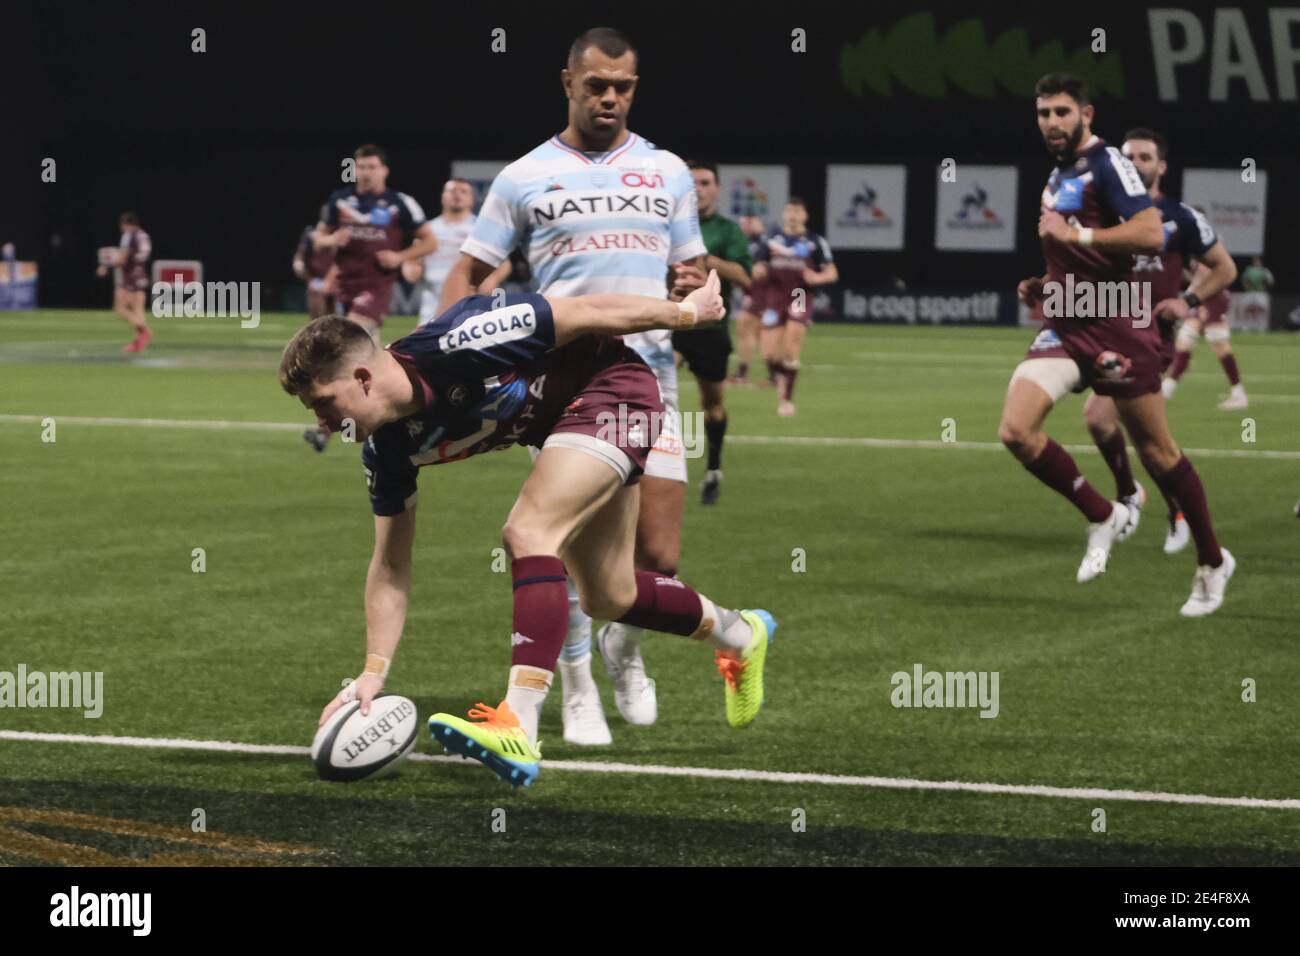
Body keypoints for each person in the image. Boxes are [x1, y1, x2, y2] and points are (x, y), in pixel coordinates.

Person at [286, 271, 777, 788]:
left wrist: (686, 314)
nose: (321, 422)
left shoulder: (462, 337)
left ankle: (517, 723)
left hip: (611, 389)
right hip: (559, 427)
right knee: (609, 596)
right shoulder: (385, 449)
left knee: (528, 531)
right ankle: (743, 634)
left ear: (363, 378)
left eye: (324, 404)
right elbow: (390, 563)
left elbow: (585, 312)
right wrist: (372, 670)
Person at [439, 27, 709, 746]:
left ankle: (625, 650)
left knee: (657, 557)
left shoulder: (668, 172)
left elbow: (695, 268)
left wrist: (694, 281)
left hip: (653, 378)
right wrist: (441, 356)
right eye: (597, 86)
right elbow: (468, 272)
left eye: (623, 87)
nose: (610, 98)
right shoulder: (525, 176)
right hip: (565, 384)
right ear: (568, 83)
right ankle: (579, 685)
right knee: (559, 540)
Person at [1000, 73, 1234, 617]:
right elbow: (1066, 246)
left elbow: (1150, 233)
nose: (1052, 122)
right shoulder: (1059, 173)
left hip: (1116, 325)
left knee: (1157, 452)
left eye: (1062, 111)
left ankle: (1211, 560)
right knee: (1016, 430)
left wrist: (1075, 237)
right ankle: (1103, 512)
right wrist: (1045, 279)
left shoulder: (1109, 163)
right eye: (1043, 113)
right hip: (1065, 321)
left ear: (1086, 113)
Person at [1080, 128, 1238, 556]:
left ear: (1161, 166)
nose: (1135, 163)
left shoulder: (1180, 217)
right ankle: (1158, 502)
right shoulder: (1105, 216)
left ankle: (1139, 499)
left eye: (1145, 157)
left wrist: (1186, 300)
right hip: (1107, 332)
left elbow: (1224, 269)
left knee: (1103, 420)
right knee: (1147, 442)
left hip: (1150, 340)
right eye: (1127, 156)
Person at [304, 144, 438, 451]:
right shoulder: (340, 200)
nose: (365, 173)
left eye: (371, 167)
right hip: (342, 290)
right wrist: (331, 239)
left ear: (384, 170)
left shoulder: (399, 203)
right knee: (364, 358)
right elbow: (318, 238)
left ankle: (349, 424)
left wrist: (400, 256)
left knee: (342, 346)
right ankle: (399, 412)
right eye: (360, 167)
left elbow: (429, 241)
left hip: (375, 291)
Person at [675, 161, 752, 504]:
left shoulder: (727, 230)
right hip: (670, 323)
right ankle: (645, 469)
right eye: (692, 183)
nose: (699, 189)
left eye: (705, 182)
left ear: (717, 189)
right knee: (650, 393)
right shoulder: (670, 224)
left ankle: (713, 469)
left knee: (713, 406)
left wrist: (709, 260)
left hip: (710, 328)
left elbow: (746, 277)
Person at [753, 199, 837, 416]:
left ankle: (786, 400)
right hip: (775, 297)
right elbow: (758, 265)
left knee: (791, 349)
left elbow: (832, 273)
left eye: (797, 210)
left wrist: (817, 278)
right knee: (769, 356)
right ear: (784, 214)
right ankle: (780, 381)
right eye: (789, 210)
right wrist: (759, 270)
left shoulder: (814, 242)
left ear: (805, 215)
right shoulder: (772, 241)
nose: (793, 214)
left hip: (799, 294)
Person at [400, 178, 510, 326]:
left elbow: (505, 263)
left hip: (470, 301)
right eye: (452, 191)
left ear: (472, 199)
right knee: (427, 347)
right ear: (443, 197)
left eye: (463, 192)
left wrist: (492, 279)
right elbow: (413, 259)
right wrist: (410, 268)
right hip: (432, 305)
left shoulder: (481, 228)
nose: (457, 195)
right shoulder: (429, 229)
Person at [95, 211, 152, 354]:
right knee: (137, 310)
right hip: (141, 274)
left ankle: (144, 332)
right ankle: (138, 344)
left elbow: (123, 259)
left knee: (119, 308)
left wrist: (106, 265)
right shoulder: (144, 235)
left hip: (130, 277)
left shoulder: (128, 235)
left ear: (125, 224)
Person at [728, 215, 769, 385]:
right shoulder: (748, 244)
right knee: (759, 333)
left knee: (745, 327)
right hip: (755, 292)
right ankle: (775, 373)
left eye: (749, 223)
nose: (744, 226)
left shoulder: (761, 244)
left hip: (760, 293)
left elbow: (760, 271)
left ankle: (742, 374)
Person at [293, 223, 337, 317]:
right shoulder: (311, 236)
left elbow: (338, 264)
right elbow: (299, 256)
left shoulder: (336, 237)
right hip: (315, 278)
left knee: (331, 315)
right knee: (316, 312)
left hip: (333, 280)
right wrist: (299, 264)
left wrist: (329, 281)